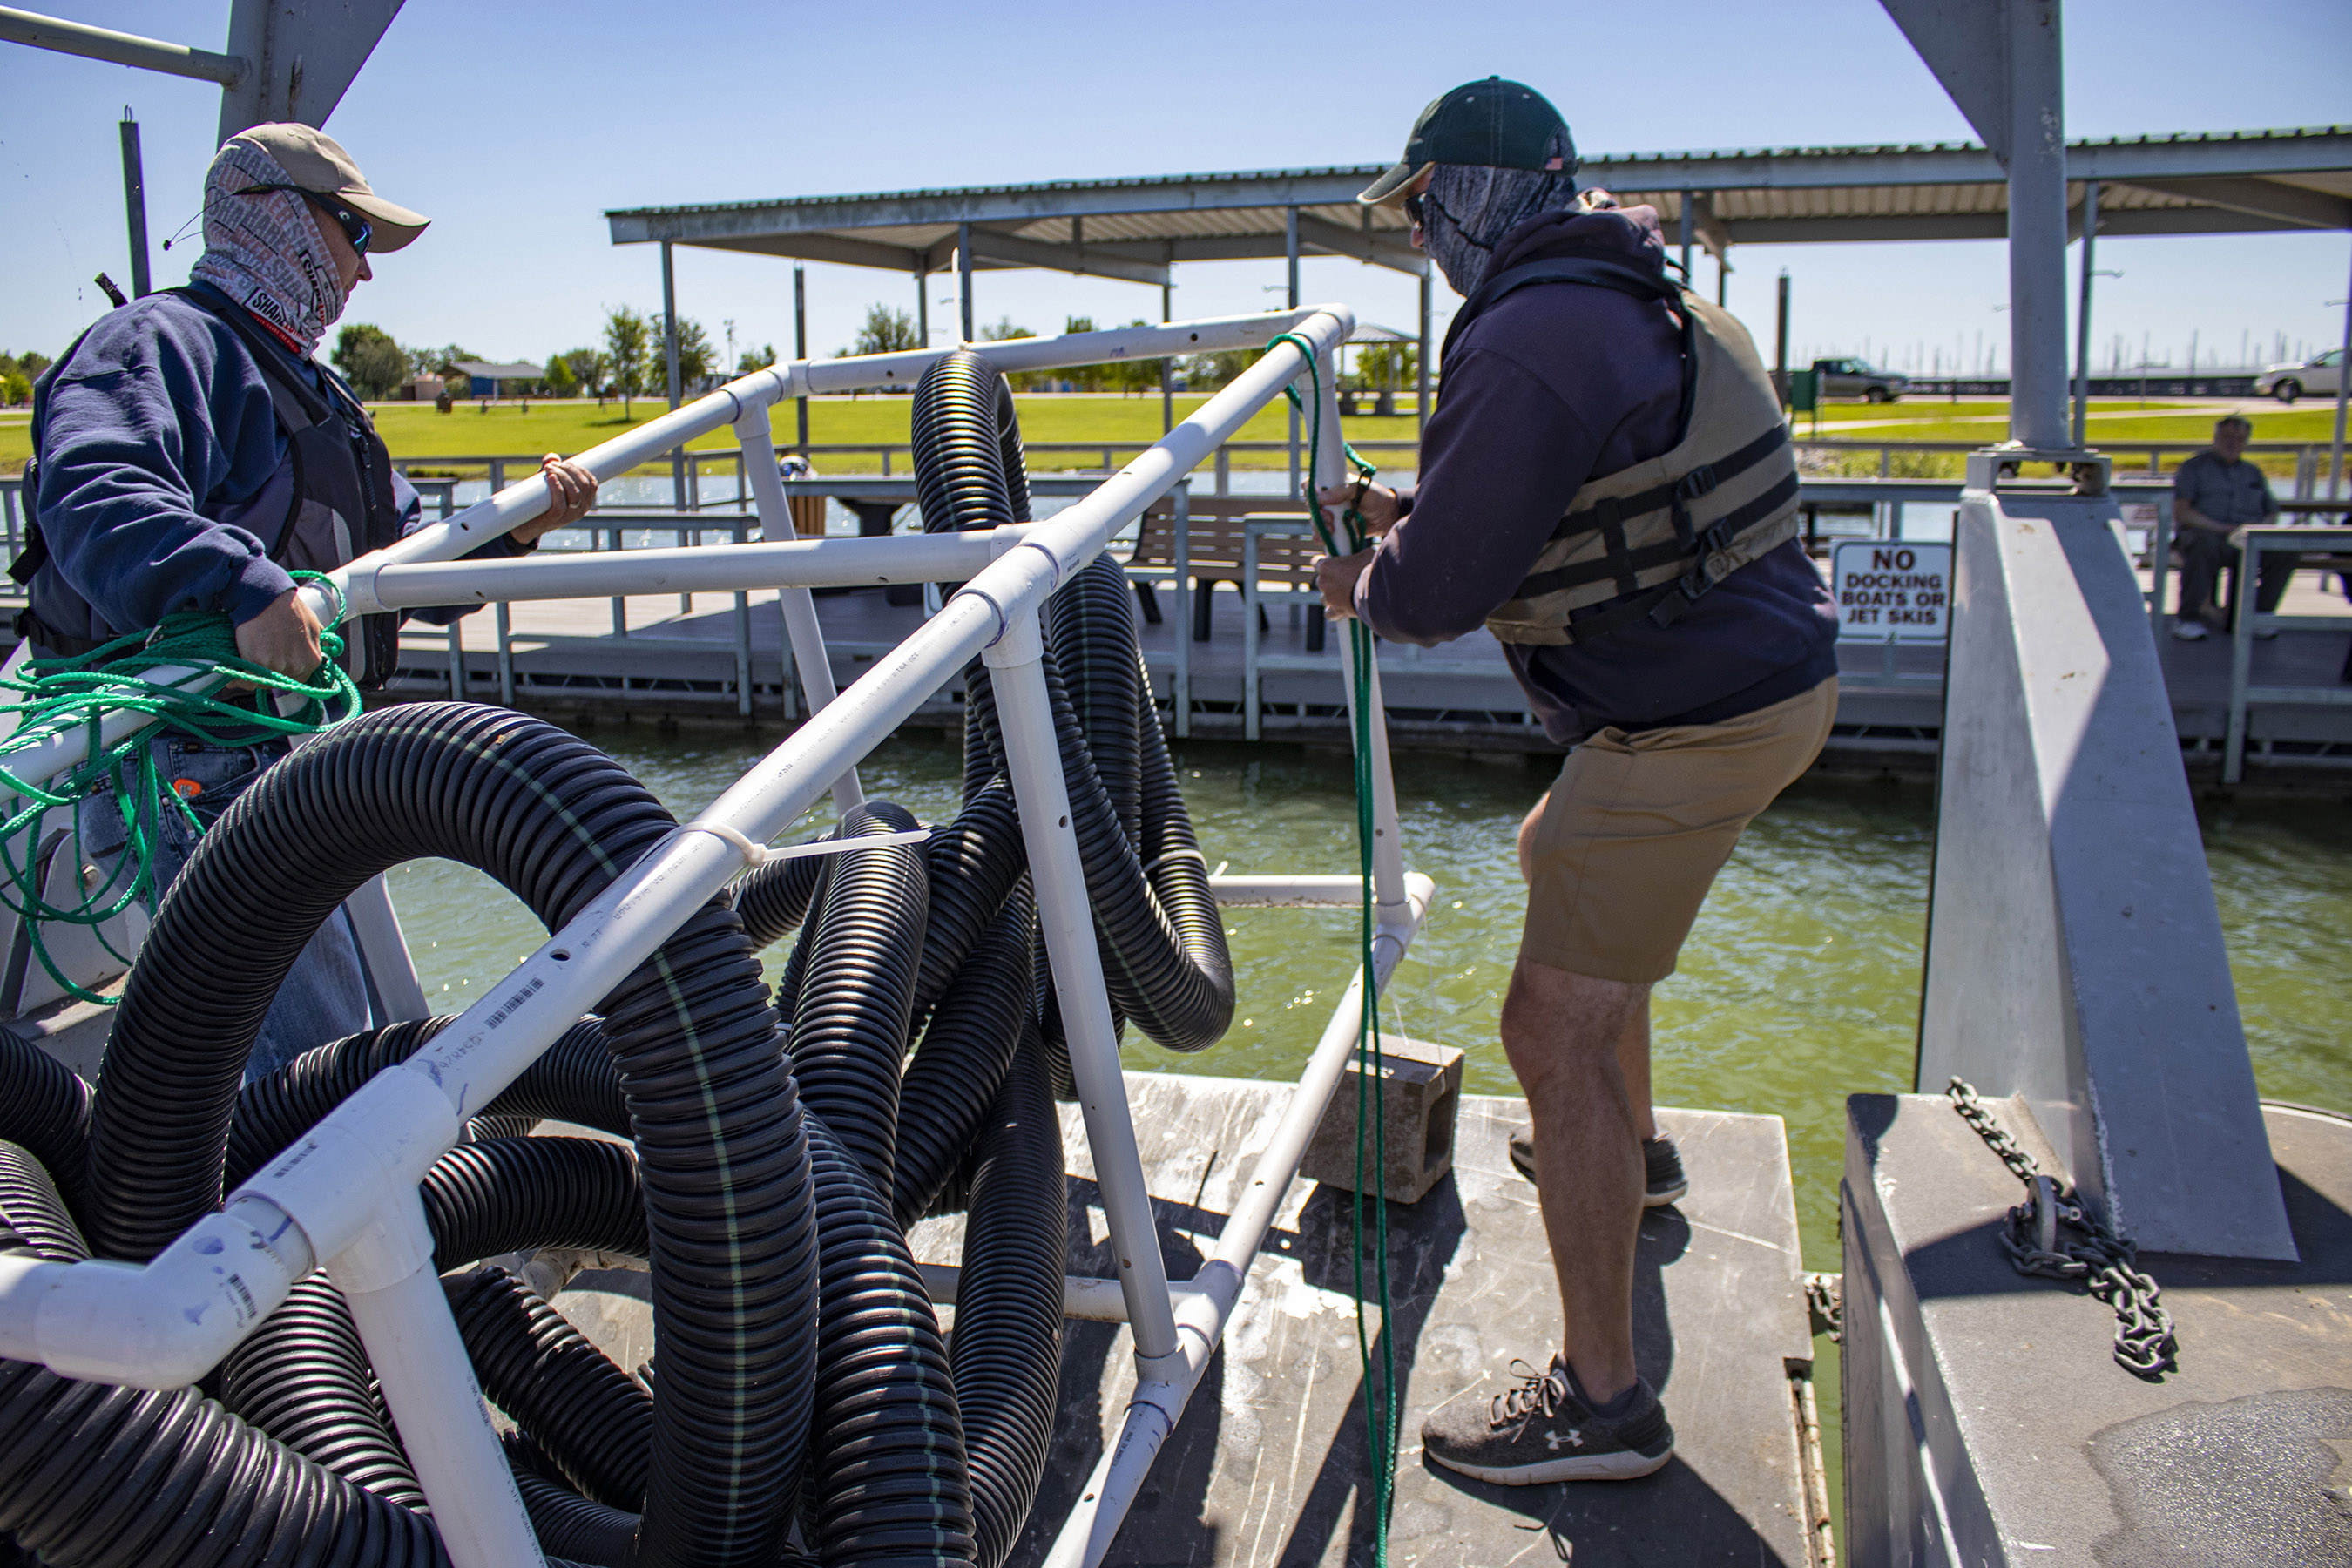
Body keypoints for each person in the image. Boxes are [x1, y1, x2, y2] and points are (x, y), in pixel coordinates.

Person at [1313, 78, 1838, 1485]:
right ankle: (1642, 1161)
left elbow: (1434, 595)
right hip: (1760, 692)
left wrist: (1353, 574)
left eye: (1424, 205)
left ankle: (1603, 1407)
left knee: (1548, 1025)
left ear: (1475, 195)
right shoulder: (1618, 292)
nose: (1421, 234)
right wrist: (1409, 511)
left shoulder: (1524, 338)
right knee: (1558, 854)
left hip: (1691, 726)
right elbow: (1584, 489)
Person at [19, 122, 599, 1075]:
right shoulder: (162, 343)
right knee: (312, 1074)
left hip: (287, 756)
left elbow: (402, 554)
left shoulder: (306, 386)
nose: (364, 274)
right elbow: (96, 491)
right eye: (355, 234)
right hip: (188, 765)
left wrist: (520, 526)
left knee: (340, 1045)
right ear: (276, 217)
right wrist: (240, 584)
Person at [2169, 415, 2294, 641]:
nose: (2233, 443)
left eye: (2240, 438)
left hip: (2248, 538)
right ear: (2215, 438)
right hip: (2208, 533)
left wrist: (2260, 532)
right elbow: (2183, 512)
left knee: (2284, 551)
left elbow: (2271, 510)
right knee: (2201, 544)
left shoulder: (2252, 472)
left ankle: (2259, 615)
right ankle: (2189, 618)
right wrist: (2222, 528)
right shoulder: (2193, 468)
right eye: (2227, 437)